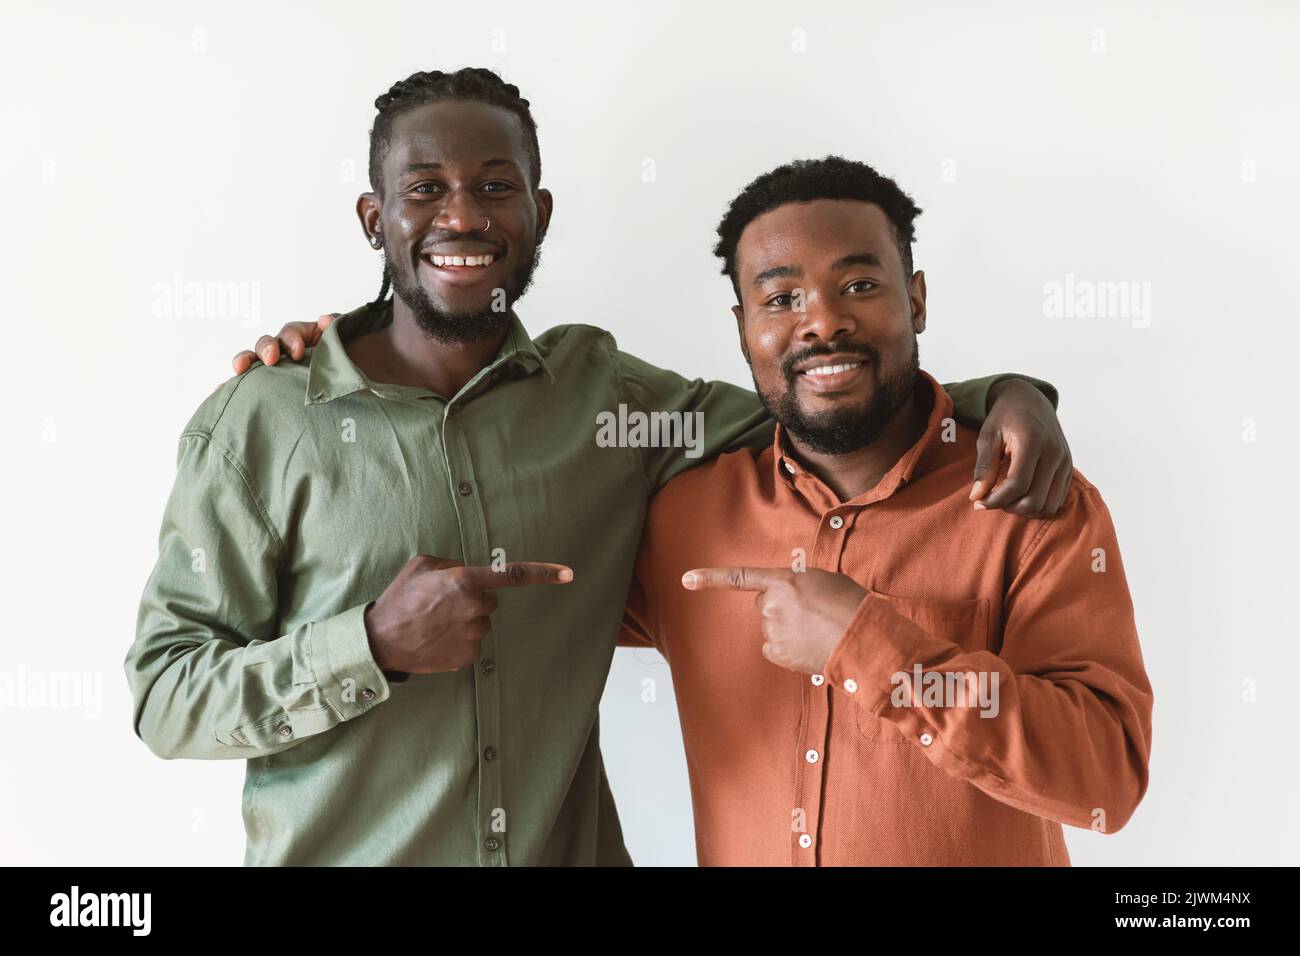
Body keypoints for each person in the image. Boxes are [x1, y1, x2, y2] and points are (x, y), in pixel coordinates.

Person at [128, 67, 1072, 865]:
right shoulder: (262, 421)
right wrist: (369, 643)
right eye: (424, 190)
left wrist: (1006, 394)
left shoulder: (609, 401)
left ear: (537, 213)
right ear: (375, 218)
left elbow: (814, 399)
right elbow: (166, 697)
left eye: (496, 187)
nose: (462, 214)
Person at [621, 156, 1153, 865]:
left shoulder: (1030, 501)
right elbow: (533, 637)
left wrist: (873, 648)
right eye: (780, 300)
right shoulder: (681, 520)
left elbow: (1106, 777)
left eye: (859, 285)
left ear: (918, 300)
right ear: (742, 326)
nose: (823, 324)